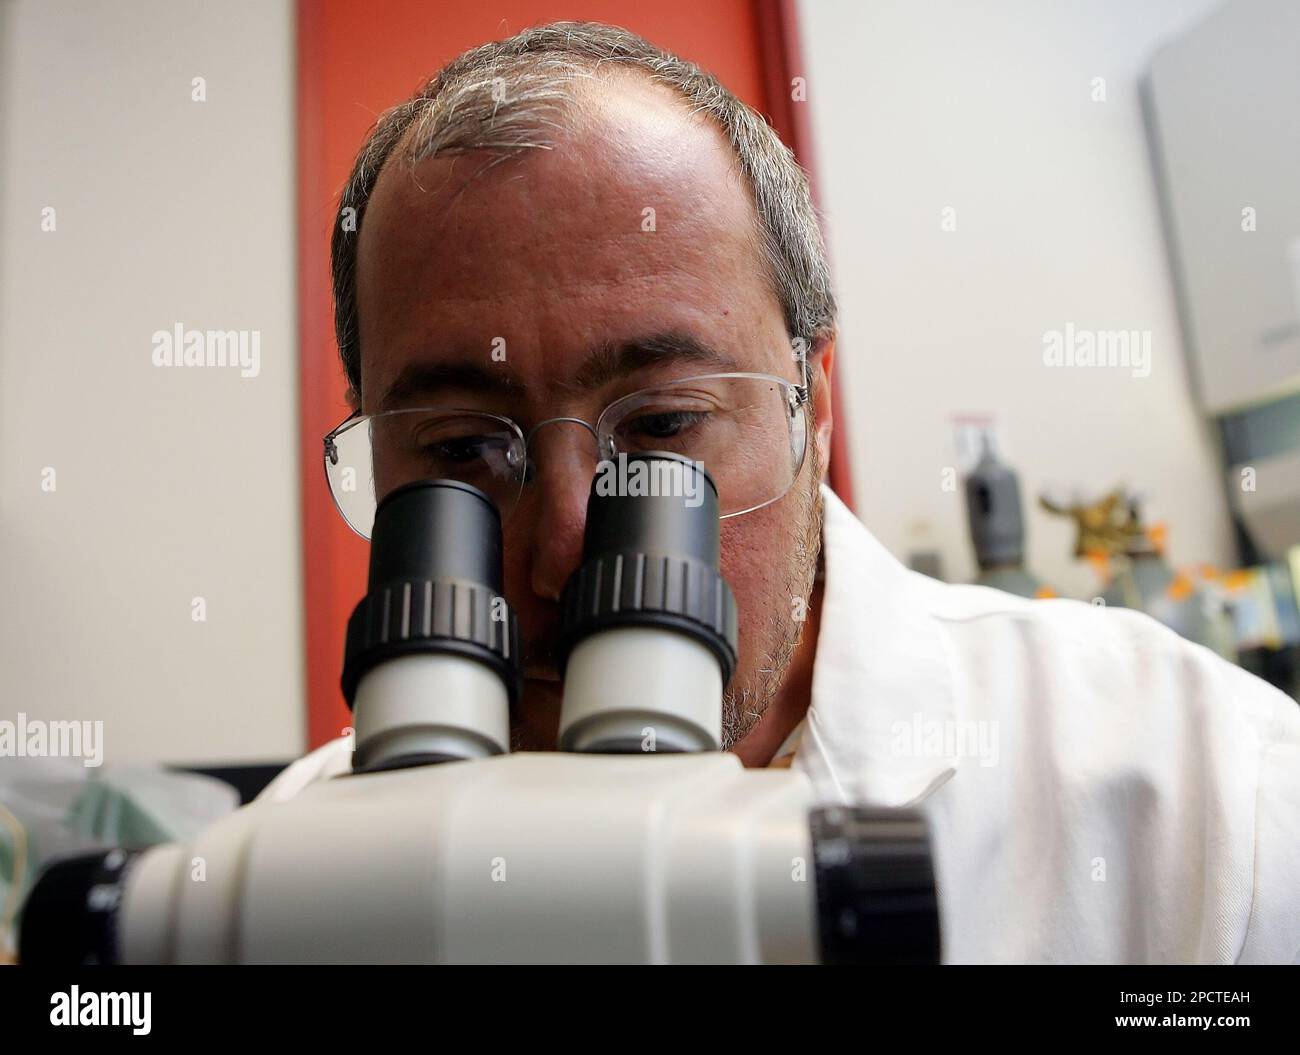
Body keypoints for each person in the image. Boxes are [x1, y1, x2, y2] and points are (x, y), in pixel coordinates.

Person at [268, 21, 1300, 963]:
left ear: (813, 404)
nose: (562, 548)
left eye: (663, 425)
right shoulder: (281, 881)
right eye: (460, 450)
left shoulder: (1213, 797)